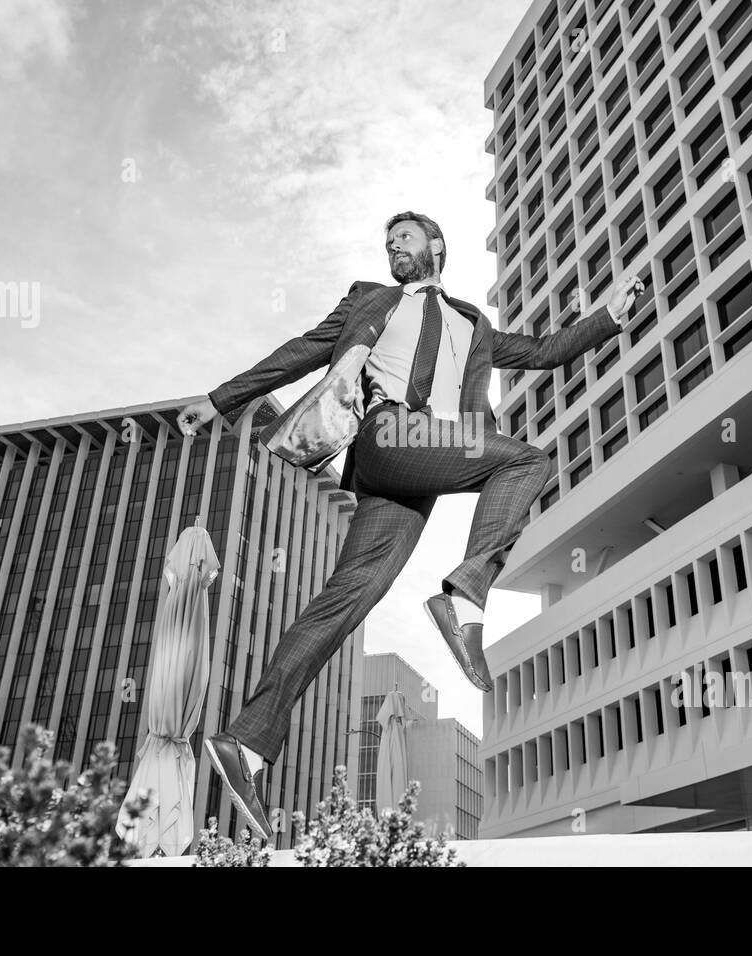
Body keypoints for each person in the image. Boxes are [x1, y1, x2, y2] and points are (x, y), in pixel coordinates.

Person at [177, 211, 643, 838]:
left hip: (413, 472)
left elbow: (542, 351)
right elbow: (301, 353)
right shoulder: (370, 301)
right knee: (527, 460)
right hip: (386, 433)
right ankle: (465, 597)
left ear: (437, 247)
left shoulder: (472, 324)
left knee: (343, 603)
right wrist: (220, 398)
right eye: (387, 239)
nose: (393, 244)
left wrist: (609, 317)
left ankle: (247, 743)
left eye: (406, 236)